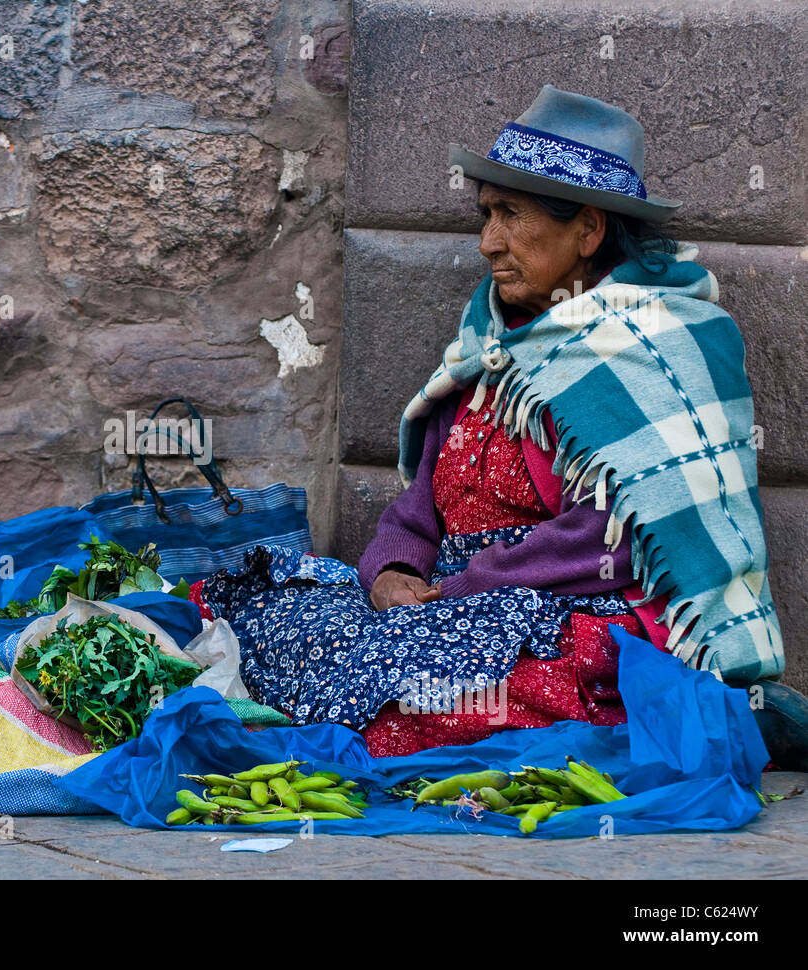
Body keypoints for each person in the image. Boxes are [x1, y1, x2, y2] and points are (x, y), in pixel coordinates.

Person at [199, 86, 808, 769]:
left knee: (402, 701)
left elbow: (614, 535)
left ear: (588, 229)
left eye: (511, 215)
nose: (489, 243)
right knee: (267, 618)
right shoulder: (494, 346)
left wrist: (465, 592)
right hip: (451, 608)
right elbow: (419, 506)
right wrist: (392, 571)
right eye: (486, 215)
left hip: (576, 617)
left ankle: (736, 715)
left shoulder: (664, 343)